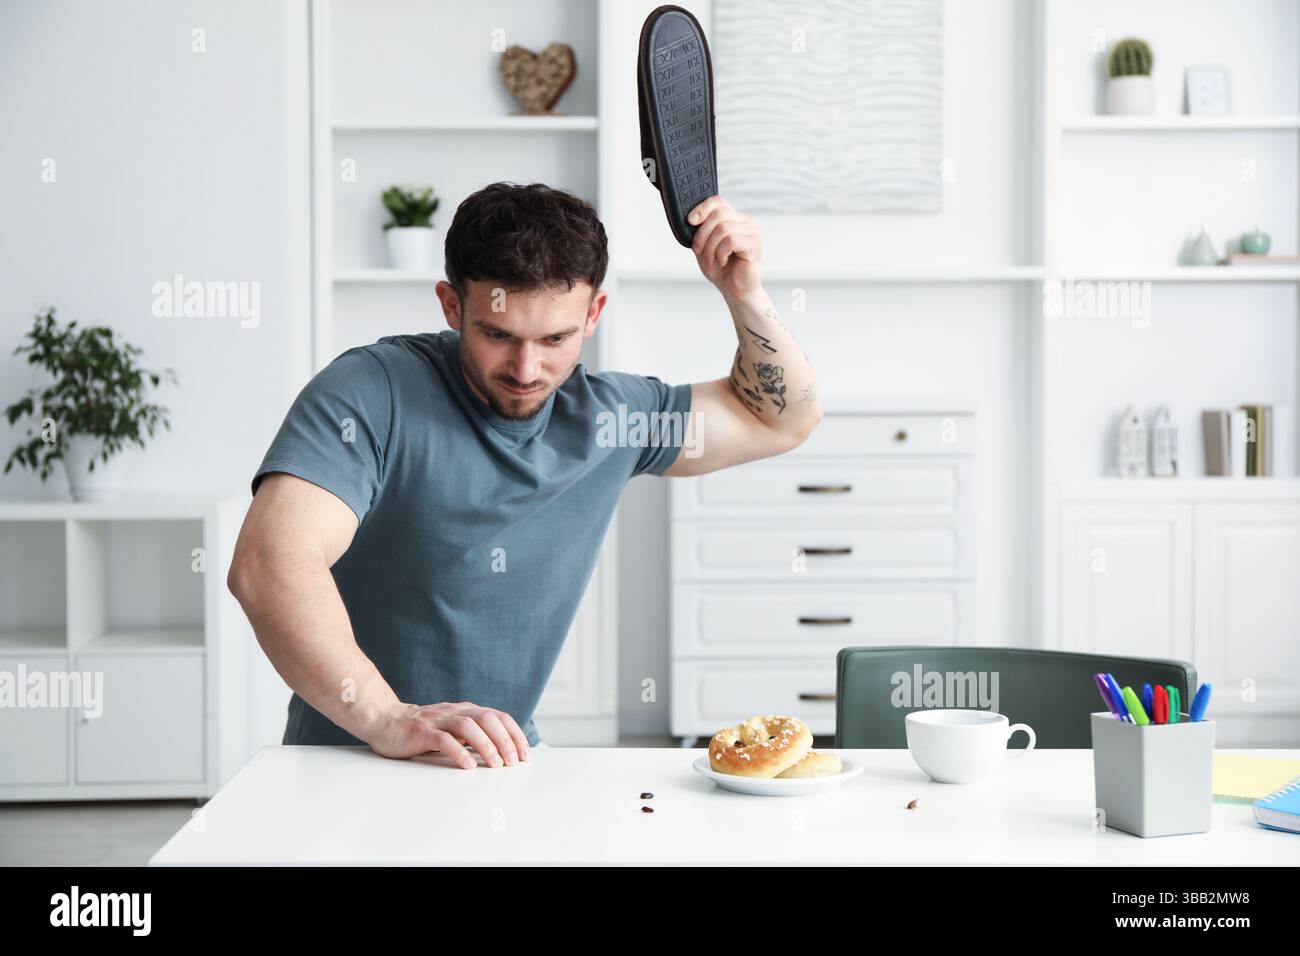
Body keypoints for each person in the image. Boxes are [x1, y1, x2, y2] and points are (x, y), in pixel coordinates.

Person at [227, 182, 821, 770]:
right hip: (349, 761)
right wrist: (387, 717)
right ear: (452, 304)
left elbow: (779, 420)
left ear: (593, 315)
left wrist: (743, 292)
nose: (526, 369)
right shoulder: (373, 391)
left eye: (556, 339)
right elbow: (270, 562)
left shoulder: (613, 422)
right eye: (497, 334)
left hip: (502, 760)